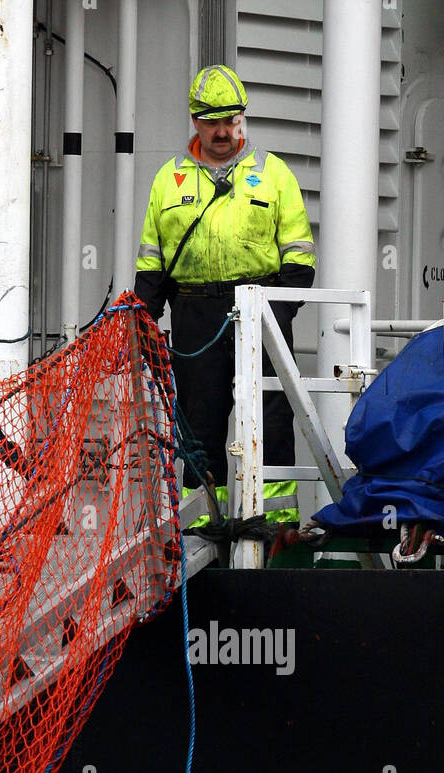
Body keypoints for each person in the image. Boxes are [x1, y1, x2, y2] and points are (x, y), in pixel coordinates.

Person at [133, 64, 316, 520]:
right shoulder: (167, 179)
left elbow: (300, 256)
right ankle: (202, 521)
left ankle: (278, 522)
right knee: (201, 422)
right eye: (211, 120)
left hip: (262, 311)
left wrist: (280, 311)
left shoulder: (273, 174)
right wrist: (142, 317)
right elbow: (151, 261)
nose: (221, 130)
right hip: (194, 313)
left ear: (242, 119)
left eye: (230, 119)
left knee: (272, 417)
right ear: (195, 121)